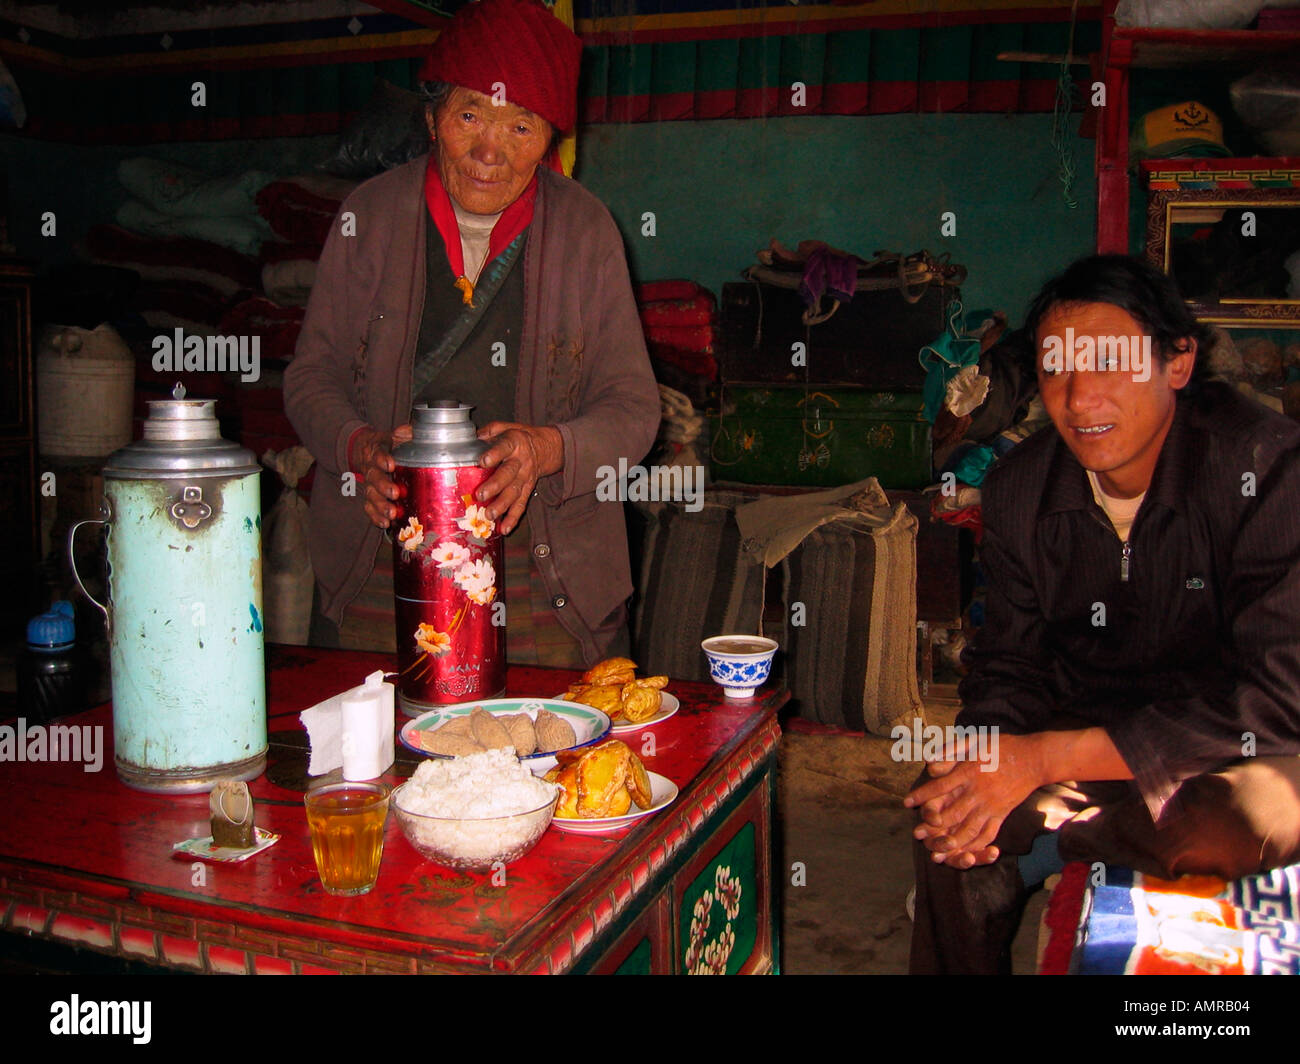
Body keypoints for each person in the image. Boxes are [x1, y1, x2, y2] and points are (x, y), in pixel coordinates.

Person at [907, 254, 1300, 974]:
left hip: (1222, 751)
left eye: (1111, 362)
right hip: (1089, 740)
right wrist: (985, 765)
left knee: (1255, 816)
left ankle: (1073, 838)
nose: (1081, 398)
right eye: (1057, 367)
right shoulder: (1022, 489)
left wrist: (1047, 760)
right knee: (947, 815)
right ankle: (1076, 835)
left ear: (1177, 362)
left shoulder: (1264, 469)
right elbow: (1006, 667)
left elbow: (1279, 700)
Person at [284, 0, 660, 668]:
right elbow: (311, 377)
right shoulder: (366, 216)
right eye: (469, 117)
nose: (491, 150)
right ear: (431, 117)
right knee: (386, 756)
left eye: (521, 125)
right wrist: (357, 447)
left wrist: (548, 450)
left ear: (549, 140)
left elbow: (635, 408)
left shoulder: (587, 228)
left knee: (554, 758)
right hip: (386, 553)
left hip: (546, 565)